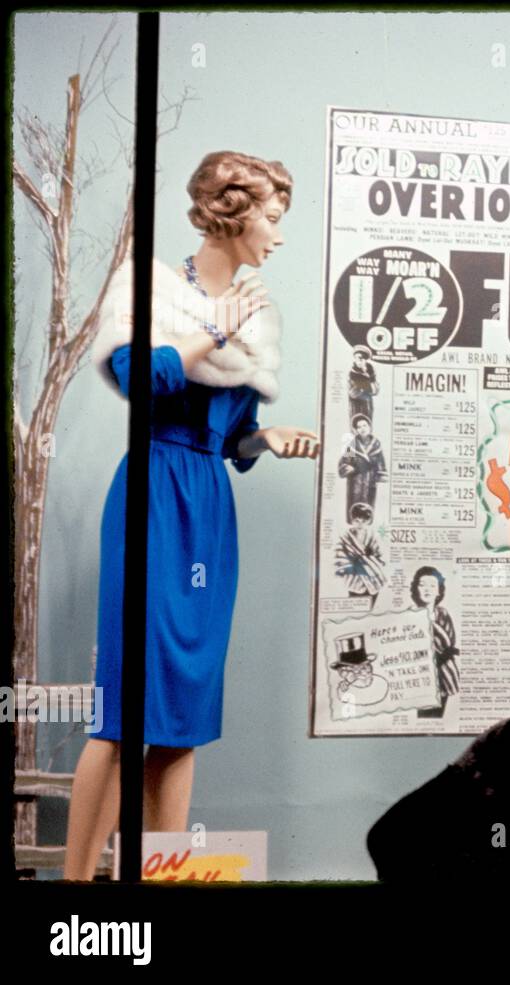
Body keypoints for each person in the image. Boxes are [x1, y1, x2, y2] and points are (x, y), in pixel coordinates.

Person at [64, 150, 320, 880]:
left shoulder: (258, 320)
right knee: (122, 715)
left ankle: (157, 882)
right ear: (233, 212)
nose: (278, 232)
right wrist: (212, 327)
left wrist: (261, 438)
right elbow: (138, 379)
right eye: (272, 215)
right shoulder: (147, 288)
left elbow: (227, 435)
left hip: (209, 502)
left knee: (181, 715)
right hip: (152, 493)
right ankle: (74, 890)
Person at [411, 566, 461, 719]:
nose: (427, 589)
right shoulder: (411, 614)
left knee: (438, 717)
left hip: (444, 674)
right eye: (422, 584)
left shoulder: (443, 613)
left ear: (439, 591)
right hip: (421, 675)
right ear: (416, 589)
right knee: (423, 717)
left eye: (432, 585)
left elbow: (450, 642)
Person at [334, 502, 387, 608]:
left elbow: (380, 555)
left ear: (368, 521)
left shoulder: (372, 536)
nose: (360, 524)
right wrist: (351, 564)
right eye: (356, 521)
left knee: (370, 607)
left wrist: (371, 556)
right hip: (355, 578)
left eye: (363, 521)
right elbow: (339, 555)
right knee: (356, 607)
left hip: (372, 576)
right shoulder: (345, 537)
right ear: (352, 520)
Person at [338, 413, 386, 513]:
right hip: (356, 479)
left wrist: (380, 473)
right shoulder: (351, 444)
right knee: (355, 502)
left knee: (369, 503)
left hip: (370, 480)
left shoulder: (376, 444)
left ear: (369, 426)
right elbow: (346, 460)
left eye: (364, 425)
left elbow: (380, 462)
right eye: (359, 427)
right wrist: (349, 467)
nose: (362, 428)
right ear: (356, 430)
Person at [347, 345, 379, 422]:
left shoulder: (370, 372)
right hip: (355, 405)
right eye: (356, 358)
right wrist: (363, 384)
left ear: (365, 360)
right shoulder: (352, 374)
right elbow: (352, 394)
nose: (358, 361)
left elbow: (375, 391)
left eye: (360, 358)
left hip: (367, 404)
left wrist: (368, 377)